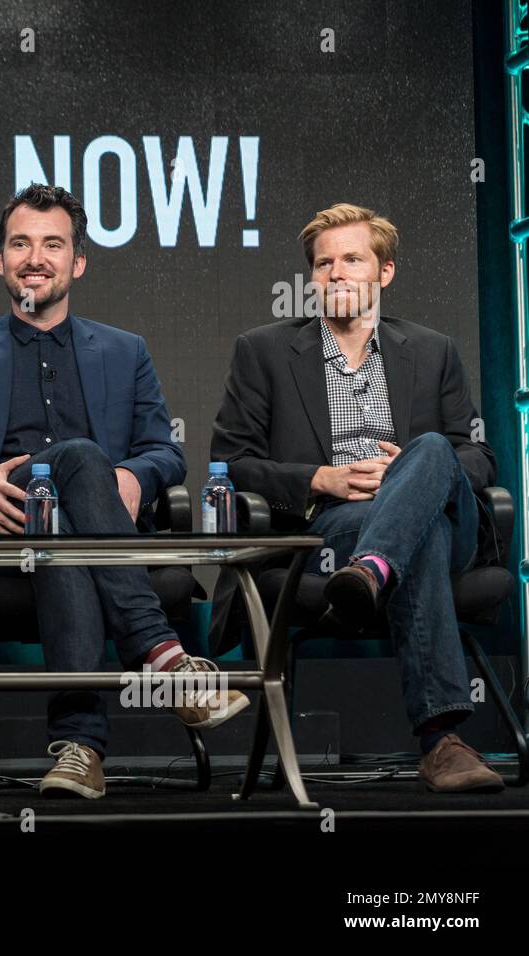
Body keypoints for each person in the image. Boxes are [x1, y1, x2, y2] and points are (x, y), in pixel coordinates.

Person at [0, 183, 248, 801]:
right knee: (76, 462)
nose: (36, 257)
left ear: (77, 262)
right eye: (20, 243)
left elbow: (166, 450)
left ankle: (80, 749)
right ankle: (162, 655)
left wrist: (137, 477)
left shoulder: (123, 349)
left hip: (78, 548)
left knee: (63, 522)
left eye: (52, 244)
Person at [211, 202, 503, 793]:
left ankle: (372, 568)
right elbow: (233, 465)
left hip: (439, 526)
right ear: (311, 278)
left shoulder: (432, 350)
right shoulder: (263, 352)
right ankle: (441, 741)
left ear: (384, 272)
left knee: (428, 450)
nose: (336, 273)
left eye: (351, 259)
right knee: (418, 536)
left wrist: (414, 468)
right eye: (323, 264)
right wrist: (322, 478)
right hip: (333, 530)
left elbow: (478, 457)